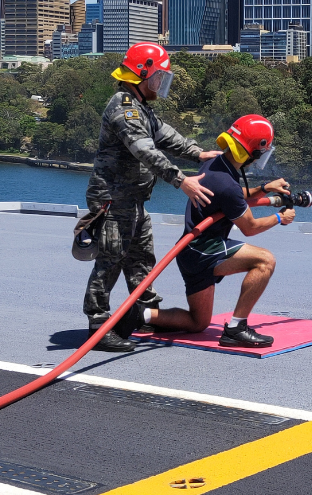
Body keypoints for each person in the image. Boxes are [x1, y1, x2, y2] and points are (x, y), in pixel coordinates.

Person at [83, 42, 223, 352]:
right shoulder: (124, 108)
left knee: (141, 258)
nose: (160, 83)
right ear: (142, 74)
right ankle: (98, 323)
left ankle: (145, 311)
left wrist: (198, 153)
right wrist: (180, 180)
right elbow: (144, 150)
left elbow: (164, 134)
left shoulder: (141, 107)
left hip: (132, 199)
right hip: (113, 199)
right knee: (111, 260)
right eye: (158, 77)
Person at [118, 114, 295, 347]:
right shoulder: (228, 184)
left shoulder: (217, 164)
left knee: (198, 322)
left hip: (190, 252)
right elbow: (250, 227)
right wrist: (280, 218)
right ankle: (236, 329)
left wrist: (264, 188)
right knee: (265, 261)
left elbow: (233, 197)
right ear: (254, 151)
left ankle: (141, 315)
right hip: (206, 250)